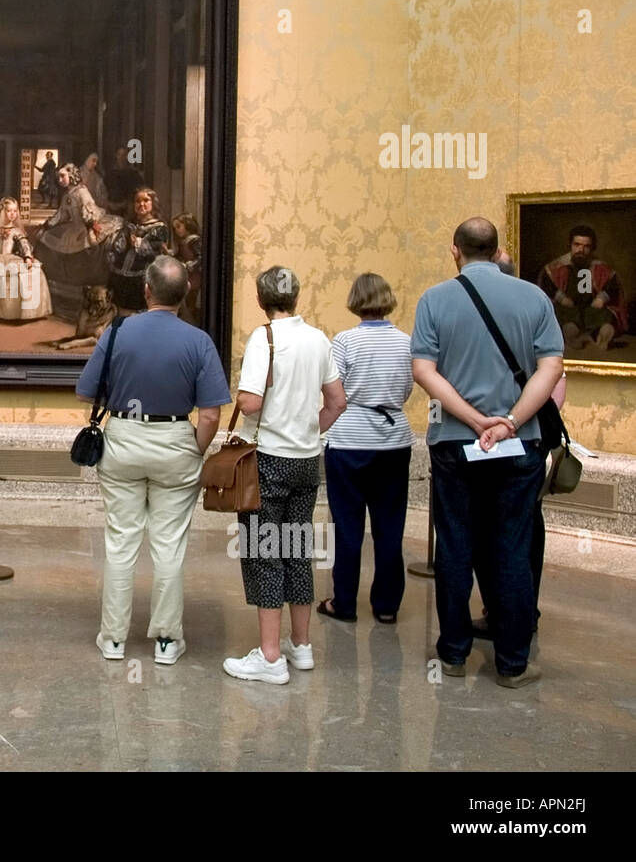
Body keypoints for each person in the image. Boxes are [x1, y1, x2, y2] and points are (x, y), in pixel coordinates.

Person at [412, 217, 563, 687]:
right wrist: (511, 421)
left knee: (455, 546)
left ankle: (454, 653)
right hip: (519, 443)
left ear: (455, 250)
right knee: (513, 548)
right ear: (498, 251)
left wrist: (475, 421)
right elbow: (551, 367)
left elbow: (424, 370)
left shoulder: (435, 299)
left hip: (456, 442)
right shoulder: (533, 297)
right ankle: (513, 662)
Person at [76, 256, 229, 666]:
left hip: (123, 440)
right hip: (176, 441)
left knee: (121, 541)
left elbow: (86, 390)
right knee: (169, 546)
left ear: (146, 290)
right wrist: (192, 448)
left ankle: (113, 640)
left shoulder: (118, 330)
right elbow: (212, 414)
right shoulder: (199, 341)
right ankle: (165, 641)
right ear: (186, 293)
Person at [223, 266, 345, 685]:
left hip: (269, 460)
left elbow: (251, 403)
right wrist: (309, 429)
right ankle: (302, 645)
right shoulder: (318, 338)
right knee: (296, 547)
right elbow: (337, 401)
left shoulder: (265, 338)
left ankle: (270, 657)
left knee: (264, 552)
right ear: (297, 297)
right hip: (307, 460)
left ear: (261, 299)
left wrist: (240, 392)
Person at [469, 249, 566, 638]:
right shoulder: (536, 306)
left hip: (486, 439)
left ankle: (501, 614)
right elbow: (556, 380)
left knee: (488, 533)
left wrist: (499, 424)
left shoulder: (467, 310)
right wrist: (519, 421)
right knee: (524, 531)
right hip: (530, 437)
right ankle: (523, 615)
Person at [319, 273, 414, 625]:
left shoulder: (344, 341)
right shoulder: (406, 342)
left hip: (348, 440)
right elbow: (406, 391)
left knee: (347, 526)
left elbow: (335, 394)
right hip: (393, 440)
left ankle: (343, 602)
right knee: (390, 525)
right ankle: (387, 604)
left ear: (355, 300)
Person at [536, 225, 626, 353]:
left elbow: (611, 286)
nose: (581, 250)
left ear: (592, 248)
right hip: (568, 307)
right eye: (577, 245)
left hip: (592, 308)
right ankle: (572, 333)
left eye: (586, 246)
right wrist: (561, 298)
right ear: (570, 245)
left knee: (604, 316)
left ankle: (602, 335)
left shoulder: (600, 267)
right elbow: (547, 286)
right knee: (564, 315)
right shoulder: (556, 267)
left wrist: (601, 298)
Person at [34, 163, 119, 284]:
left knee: (92, 244)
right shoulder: (67, 195)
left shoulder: (81, 192)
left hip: (88, 224)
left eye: (63, 176)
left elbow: (89, 208)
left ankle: (91, 275)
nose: (60, 180)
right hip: (75, 226)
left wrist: (91, 223)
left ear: (72, 175)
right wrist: (47, 225)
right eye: (58, 177)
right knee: (47, 237)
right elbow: (61, 215)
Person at [106, 188, 172, 313]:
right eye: (137, 201)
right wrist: (119, 246)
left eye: (146, 200)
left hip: (140, 278)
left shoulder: (159, 228)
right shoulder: (129, 225)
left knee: (134, 312)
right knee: (117, 310)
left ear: (153, 203)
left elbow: (154, 253)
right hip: (119, 275)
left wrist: (138, 243)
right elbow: (117, 247)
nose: (141, 204)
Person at [170, 213, 202, 323]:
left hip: (194, 276)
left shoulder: (194, 240)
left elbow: (200, 257)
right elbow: (179, 256)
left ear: (188, 225)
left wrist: (189, 265)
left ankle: (192, 320)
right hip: (186, 275)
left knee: (191, 299)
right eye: (175, 228)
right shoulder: (182, 242)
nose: (177, 231)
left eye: (178, 227)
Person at [104, 145, 145, 216]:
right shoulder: (109, 174)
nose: (121, 157)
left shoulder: (134, 174)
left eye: (124, 155)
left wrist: (127, 204)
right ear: (116, 156)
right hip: (111, 209)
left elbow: (139, 192)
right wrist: (109, 204)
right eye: (119, 154)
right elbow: (103, 192)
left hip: (129, 210)